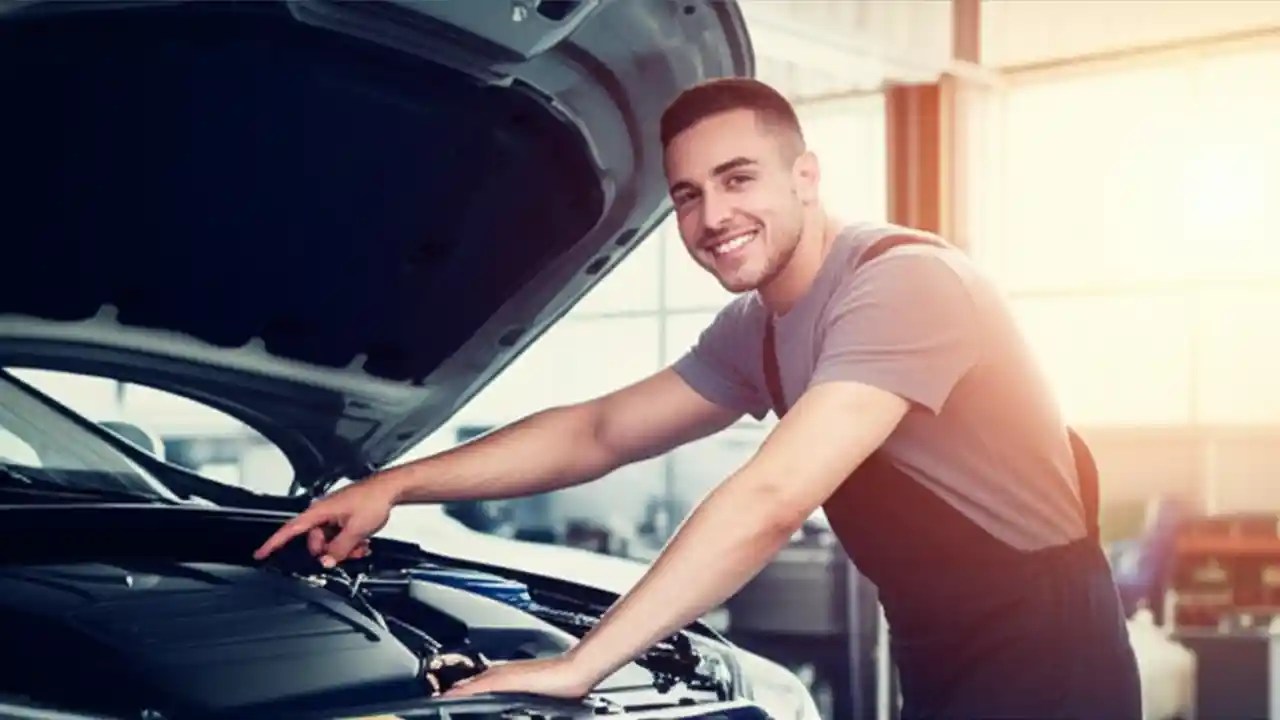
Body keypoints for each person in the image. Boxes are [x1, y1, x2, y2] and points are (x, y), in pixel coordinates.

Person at [254, 78, 1142, 718]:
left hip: (1049, 654)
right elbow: (599, 432)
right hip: (938, 647)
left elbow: (770, 498)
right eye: (688, 195)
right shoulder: (759, 327)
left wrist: (582, 665)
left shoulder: (901, 284)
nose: (712, 216)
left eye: (739, 177)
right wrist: (395, 486)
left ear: (805, 177)